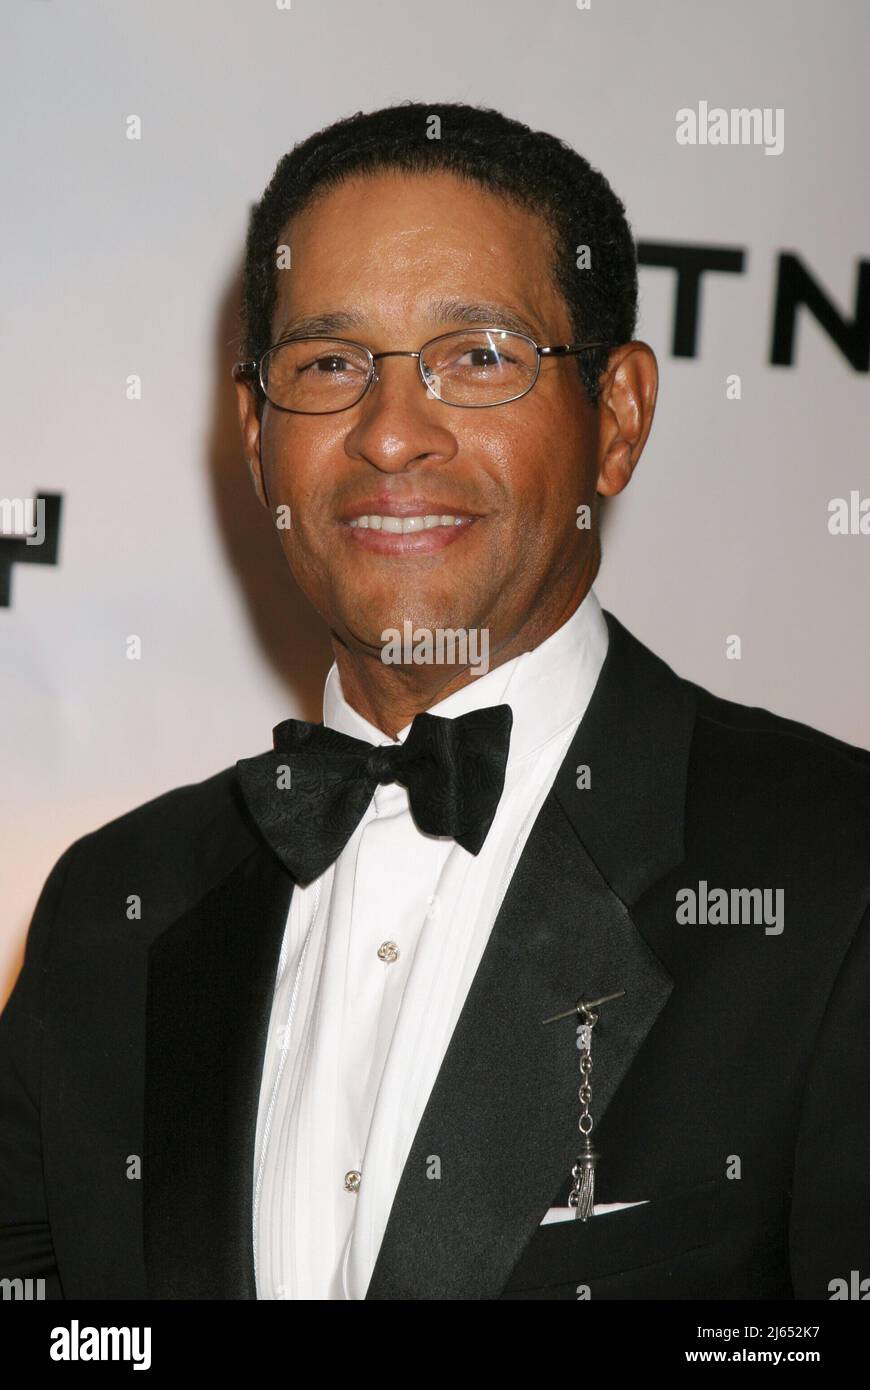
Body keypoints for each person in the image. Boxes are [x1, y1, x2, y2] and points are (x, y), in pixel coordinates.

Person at [1, 101, 868, 1302]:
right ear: (256, 435)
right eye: (330, 364)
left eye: (479, 356)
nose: (393, 433)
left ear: (616, 418)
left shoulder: (835, 874)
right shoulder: (113, 908)